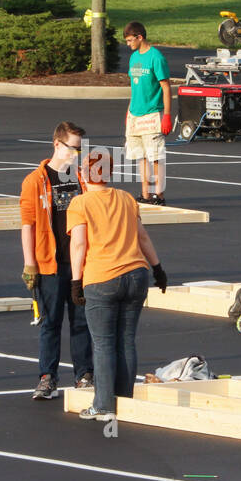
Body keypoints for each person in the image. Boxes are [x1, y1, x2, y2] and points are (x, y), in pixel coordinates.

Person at [67, 146, 168, 422]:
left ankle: (103, 405)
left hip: (102, 277)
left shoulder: (80, 203)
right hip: (136, 274)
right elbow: (142, 236)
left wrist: (76, 281)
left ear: (81, 175)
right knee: (126, 341)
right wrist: (158, 268)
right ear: (109, 174)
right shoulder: (125, 198)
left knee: (102, 344)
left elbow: (78, 244)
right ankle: (125, 400)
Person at [20, 121, 94, 400]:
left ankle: (84, 375)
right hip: (49, 264)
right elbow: (27, 224)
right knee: (50, 323)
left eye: (80, 149)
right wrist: (30, 264)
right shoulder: (35, 181)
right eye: (73, 148)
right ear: (57, 144)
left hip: (80, 265)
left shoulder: (84, 179)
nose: (77, 154)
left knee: (81, 322)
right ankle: (47, 377)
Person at [123, 21, 171, 205]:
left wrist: (166, 115)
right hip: (135, 113)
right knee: (141, 156)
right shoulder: (134, 58)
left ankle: (159, 195)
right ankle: (145, 195)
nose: (128, 44)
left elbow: (166, 88)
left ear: (139, 37)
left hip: (152, 114)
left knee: (155, 156)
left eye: (130, 40)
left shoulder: (156, 57)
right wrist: (128, 113)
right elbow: (134, 89)